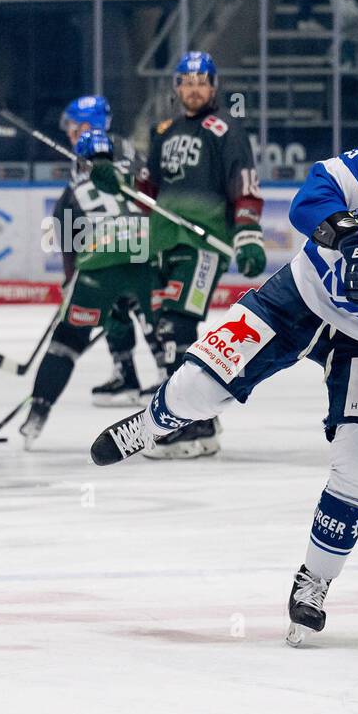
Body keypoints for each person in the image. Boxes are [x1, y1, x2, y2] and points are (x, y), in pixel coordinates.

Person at [89, 116, 358, 644]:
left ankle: (315, 581)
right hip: (301, 295)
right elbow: (313, 194)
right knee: (196, 389)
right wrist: (352, 239)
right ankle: (154, 424)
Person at [92, 52, 266, 458]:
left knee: (176, 326)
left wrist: (248, 234)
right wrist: (117, 181)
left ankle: (188, 423)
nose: (194, 89)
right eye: (187, 83)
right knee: (163, 328)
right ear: (176, 88)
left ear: (214, 87)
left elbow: (244, 183)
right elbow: (148, 190)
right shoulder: (164, 131)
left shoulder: (226, 129)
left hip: (203, 244)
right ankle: (200, 418)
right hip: (163, 242)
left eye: (202, 82)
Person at [18, 129, 153, 448]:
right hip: (143, 260)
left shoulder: (73, 191)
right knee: (166, 335)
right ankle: (187, 413)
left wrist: (71, 283)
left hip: (98, 268)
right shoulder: (132, 182)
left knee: (66, 342)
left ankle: (37, 414)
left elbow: (68, 245)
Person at [57, 95, 161, 408]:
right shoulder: (101, 150)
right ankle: (126, 374)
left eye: (73, 126)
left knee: (142, 305)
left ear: (88, 126)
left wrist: (72, 274)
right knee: (116, 306)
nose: (69, 132)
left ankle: (164, 371)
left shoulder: (110, 151)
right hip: (118, 246)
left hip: (137, 244)